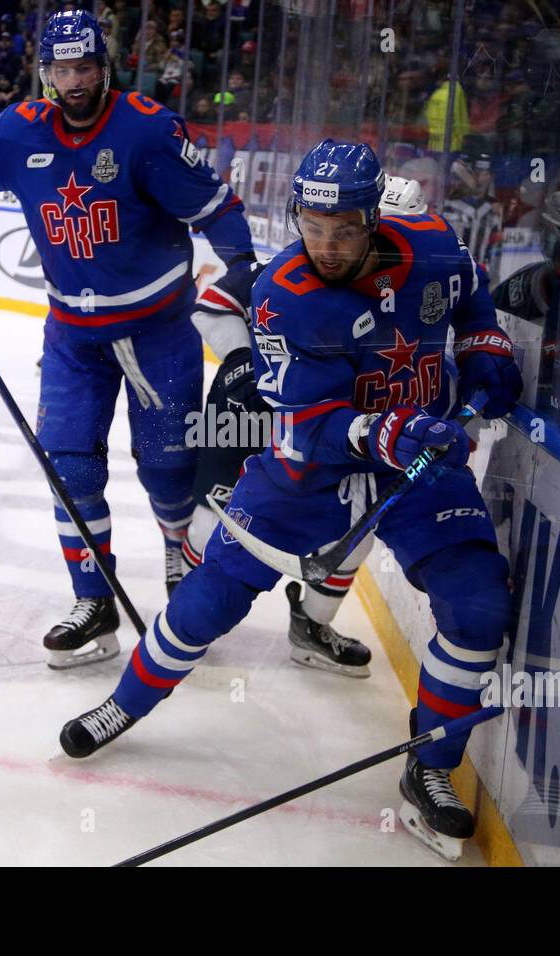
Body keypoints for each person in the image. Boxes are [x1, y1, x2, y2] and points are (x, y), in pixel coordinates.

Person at [58, 140, 523, 862]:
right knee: (210, 597)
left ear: (373, 219)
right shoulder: (285, 294)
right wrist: (392, 429)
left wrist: (488, 349)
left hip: (421, 466)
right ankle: (129, 701)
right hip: (311, 470)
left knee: (479, 606)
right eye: (311, 226)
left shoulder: (432, 245)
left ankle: (429, 764)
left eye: (342, 229)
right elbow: (308, 424)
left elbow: (474, 294)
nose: (325, 245)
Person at [0, 9, 254, 669]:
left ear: (105, 66)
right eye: (62, 68)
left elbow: (217, 209)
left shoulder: (147, 132)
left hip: (156, 331)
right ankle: (95, 602)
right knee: (69, 466)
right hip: (74, 338)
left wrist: (246, 279)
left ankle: (176, 553)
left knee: (168, 471)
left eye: (85, 67)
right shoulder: (23, 131)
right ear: (45, 71)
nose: (74, 81)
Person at [182, 175, 429, 679]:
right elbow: (212, 307)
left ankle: (311, 626)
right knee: (218, 520)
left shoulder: (409, 284)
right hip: (252, 415)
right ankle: (186, 613)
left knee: (357, 533)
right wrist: (250, 367)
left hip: (334, 431)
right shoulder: (293, 272)